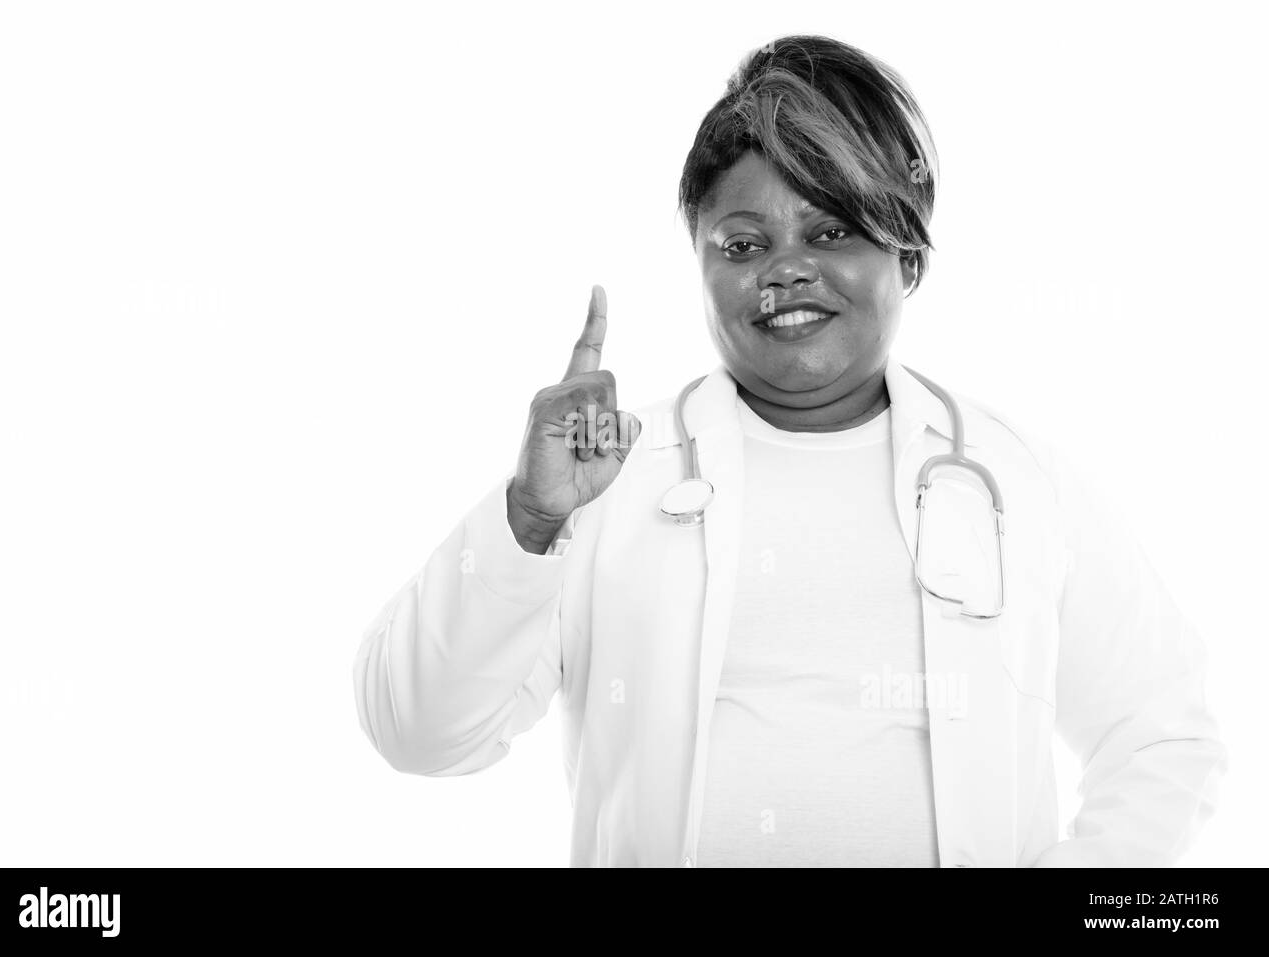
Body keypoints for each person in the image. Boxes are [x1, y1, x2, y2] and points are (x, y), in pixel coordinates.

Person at [352, 35, 1227, 867]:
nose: (785, 270)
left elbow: (1166, 739)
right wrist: (531, 516)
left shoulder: (1020, 482)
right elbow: (419, 734)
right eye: (743, 244)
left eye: (831, 231)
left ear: (907, 254)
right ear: (700, 266)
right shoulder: (607, 481)